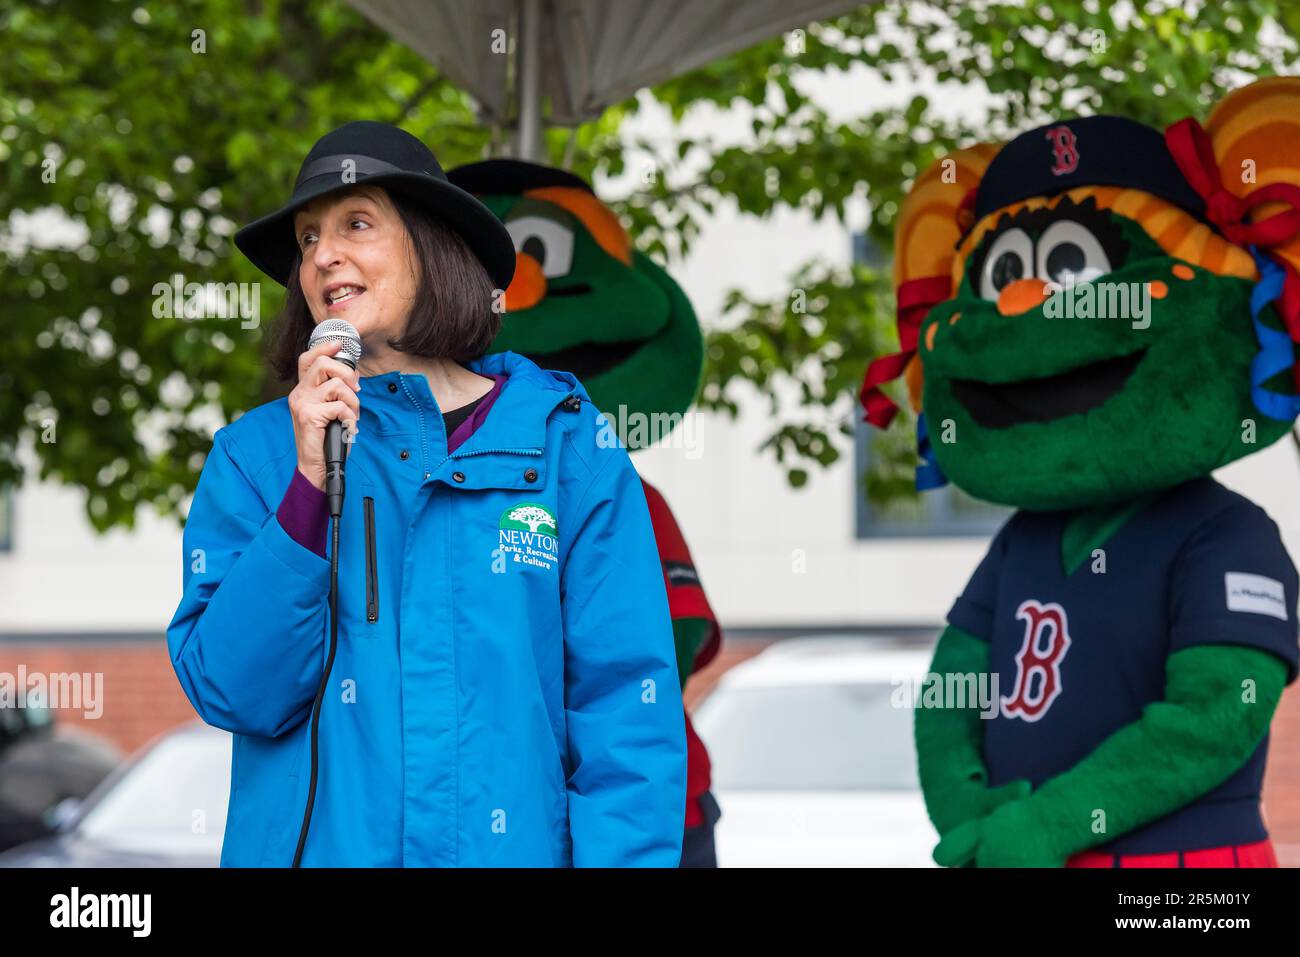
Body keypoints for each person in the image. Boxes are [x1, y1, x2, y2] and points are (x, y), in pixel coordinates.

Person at [166, 121, 685, 867]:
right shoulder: (256, 457)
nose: (324, 256)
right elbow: (237, 690)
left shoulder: (569, 446)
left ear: (433, 243)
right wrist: (308, 489)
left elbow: (626, 719)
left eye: (356, 223)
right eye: (308, 239)